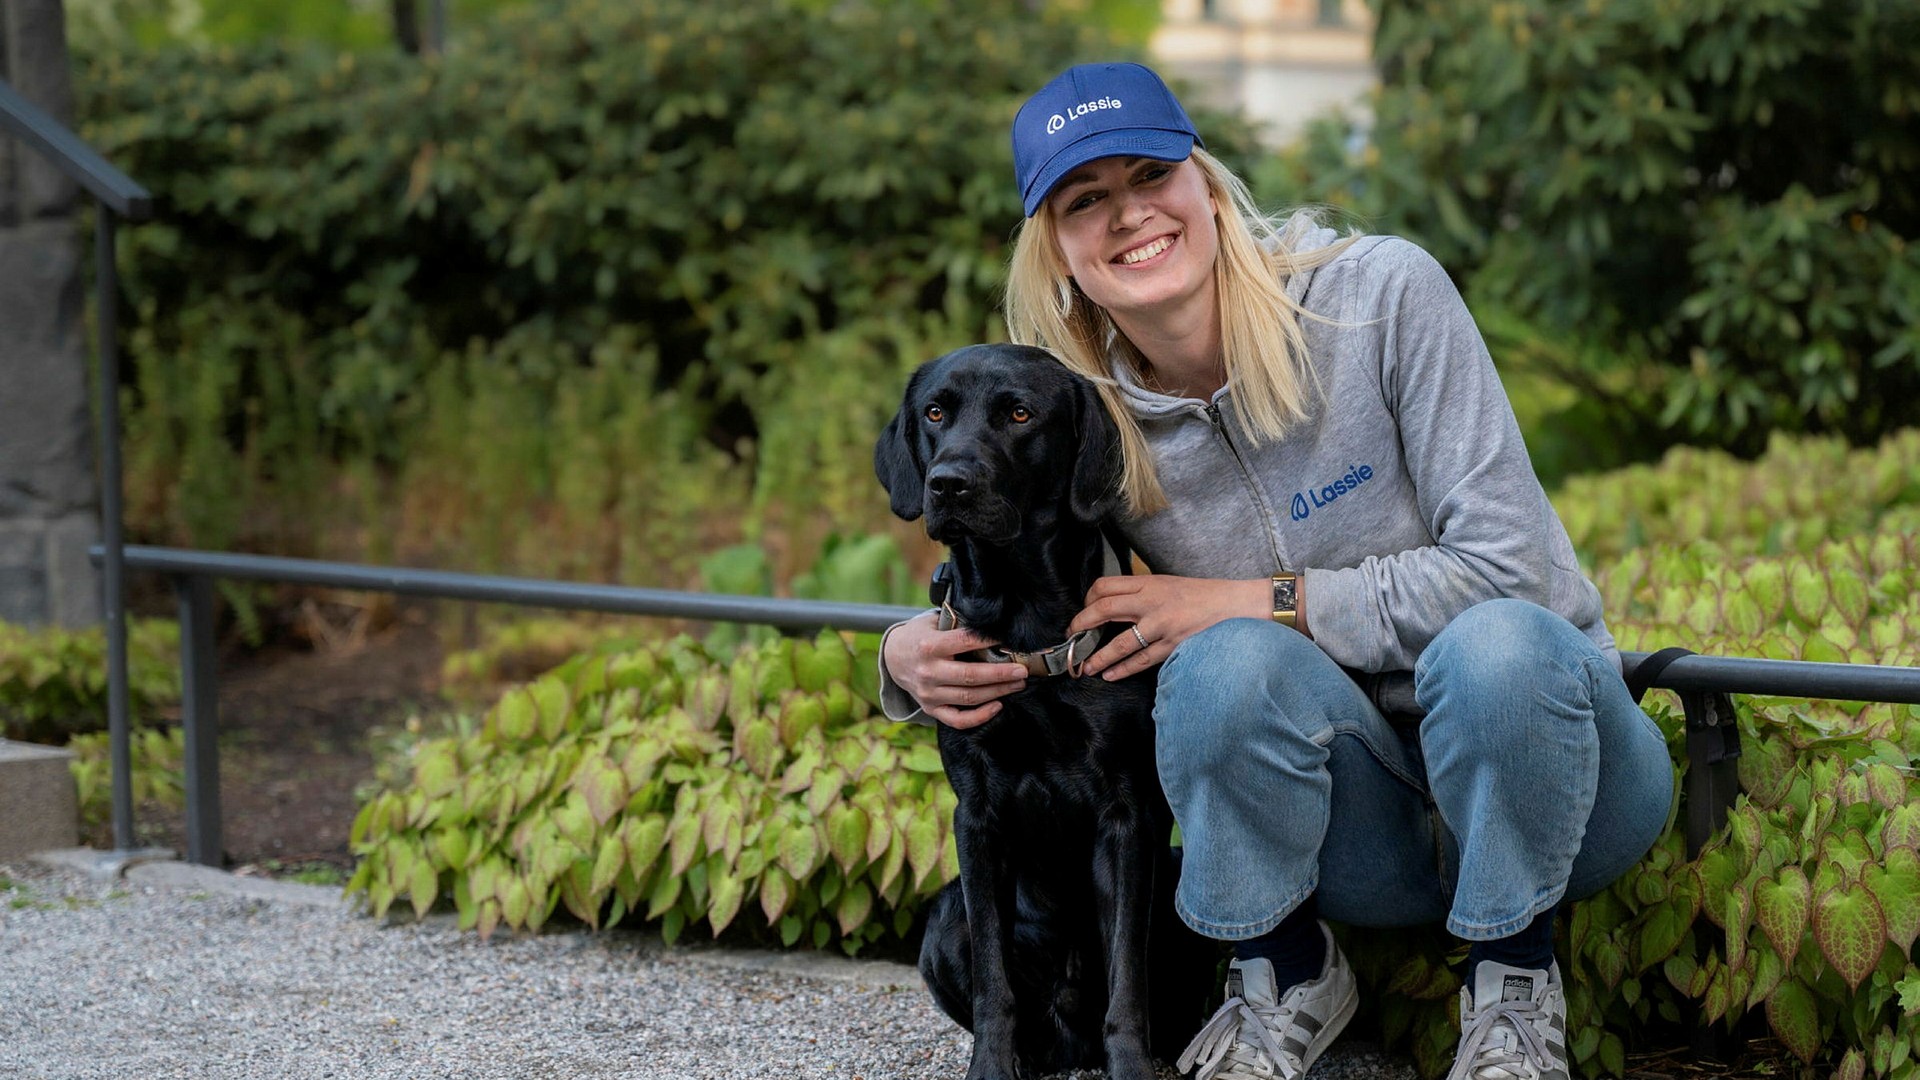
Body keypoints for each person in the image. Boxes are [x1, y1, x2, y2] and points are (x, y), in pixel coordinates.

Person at [879, 61, 1675, 1080]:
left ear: (1205, 185)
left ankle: (1513, 988)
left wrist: (1253, 601)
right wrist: (905, 656)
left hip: (1566, 786)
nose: (1128, 217)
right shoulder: (1089, 423)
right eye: (1087, 201)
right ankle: (1290, 976)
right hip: (1360, 835)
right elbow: (1019, 581)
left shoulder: (1382, 295)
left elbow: (1512, 571)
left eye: (1149, 178)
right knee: (1216, 672)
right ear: (1060, 248)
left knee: (1498, 642)